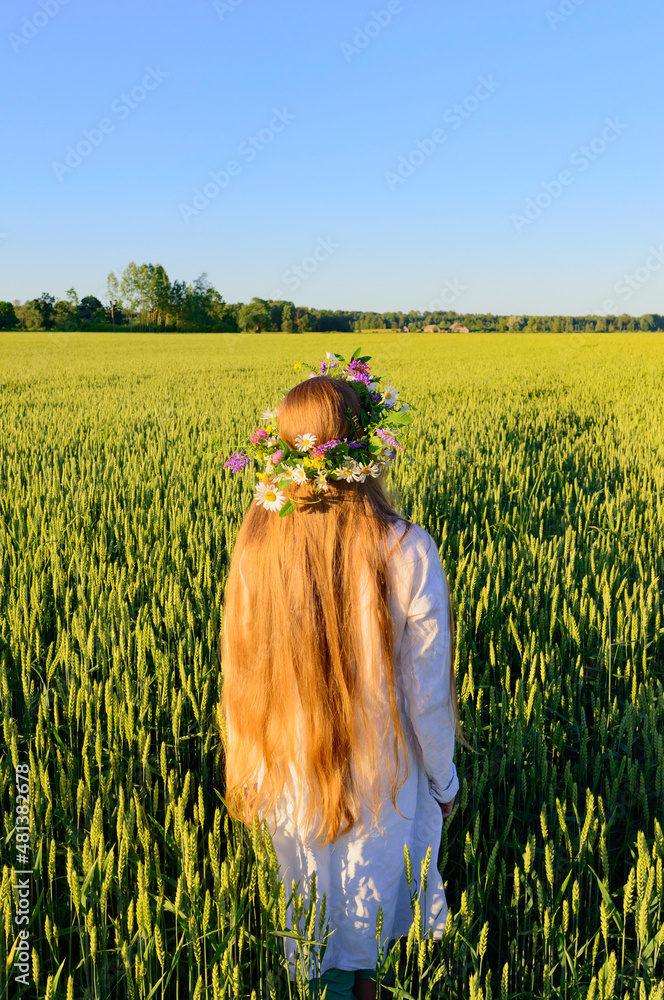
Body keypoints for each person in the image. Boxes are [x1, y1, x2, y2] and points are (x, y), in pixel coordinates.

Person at [220, 351, 461, 999]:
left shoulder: (256, 545)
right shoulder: (405, 546)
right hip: (383, 775)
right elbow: (427, 694)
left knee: (313, 920)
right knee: (368, 918)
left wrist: (247, 767)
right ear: (367, 447)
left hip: (286, 769)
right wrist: (443, 777)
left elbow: (239, 668)